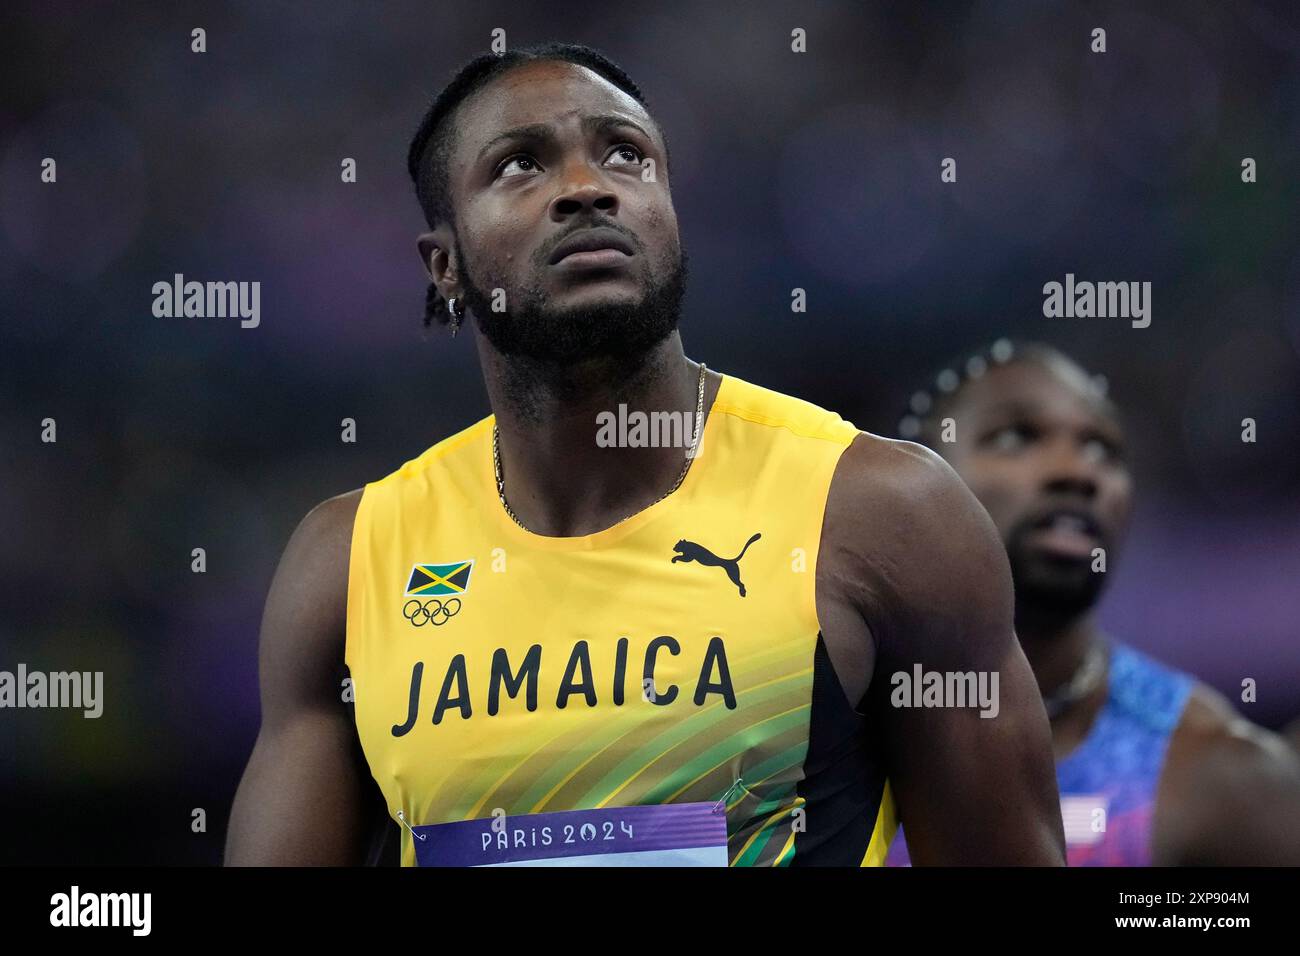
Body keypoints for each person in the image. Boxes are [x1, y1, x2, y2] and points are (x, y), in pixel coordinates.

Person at [225, 43, 1064, 867]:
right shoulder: (350, 565)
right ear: (445, 265)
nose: (587, 188)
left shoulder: (879, 512)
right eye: (520, 165)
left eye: (627, 156)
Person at [887, 339, 1300, 865]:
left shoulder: (1218, 777)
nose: (1078, 471)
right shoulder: (807, 746)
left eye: (1105, 449)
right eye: (1016, 436)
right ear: (909, 480)